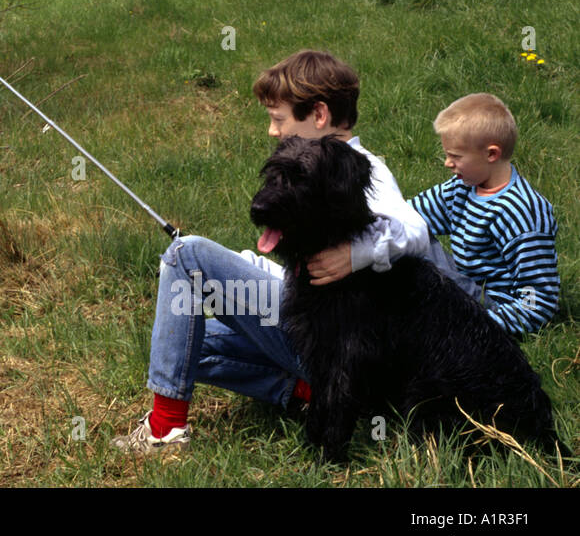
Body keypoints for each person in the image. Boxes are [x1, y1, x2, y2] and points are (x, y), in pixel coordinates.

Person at [112, 50, 434, 453]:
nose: (271, 130)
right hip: (323, 348)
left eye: (279, 119)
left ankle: (165, 429)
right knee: (180, 339)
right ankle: (305, 392)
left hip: (335, 341)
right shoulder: (313, 170)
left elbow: (417, 231)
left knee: (187, 255)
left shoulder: (360, 166)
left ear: (319, 115)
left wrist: (356, 256)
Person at [407, 93, 559, 335]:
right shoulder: (462, 186)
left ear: (491, 154)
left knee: (408, 246)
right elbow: (410, 215)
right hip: (465, 285)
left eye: (455, 156)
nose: (447, 163)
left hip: (491, 307)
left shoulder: (522, 213)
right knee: (405, 231)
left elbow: (537, 302)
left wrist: (475, 325)